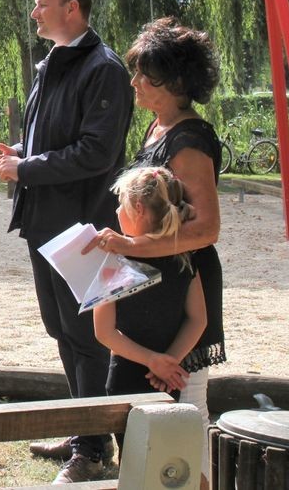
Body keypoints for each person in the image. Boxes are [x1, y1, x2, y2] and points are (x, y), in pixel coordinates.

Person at [0, 0, 133, 483]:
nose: (35, 14)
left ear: (72, 9)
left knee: (88, 336)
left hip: (84, 227)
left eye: (42, 5)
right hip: (45, 223)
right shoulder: (54, 63)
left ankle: (94, 448)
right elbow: (58, 140)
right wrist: (23, 155)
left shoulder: (104, 68)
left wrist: (27, 168)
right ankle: (82, 431)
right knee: (62, 330)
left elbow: (97, 152)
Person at [87, 18, 227, 488]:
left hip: (183, 276)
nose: (134, 83)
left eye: (146, 75)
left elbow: (206, 227)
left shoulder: (187, 138)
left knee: (188, 408)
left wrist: (134, 246)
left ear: (177, 82)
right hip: (154, 276)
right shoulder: (158, 127)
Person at [93, 167, 207, 461]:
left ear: (138, 209)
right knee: (162, 464)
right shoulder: (183, 256)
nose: (117, 210)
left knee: (134, 465)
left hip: (128, 378)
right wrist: (170, 361)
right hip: (168, 379)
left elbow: (104, 332)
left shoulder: (115, 261)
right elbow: (198, 319)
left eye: (121, 204)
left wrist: (156, 362)